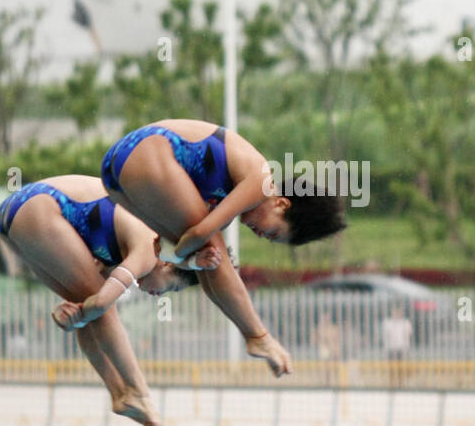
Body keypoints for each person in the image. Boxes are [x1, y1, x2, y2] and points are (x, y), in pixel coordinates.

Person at [100, 119, 347, 378]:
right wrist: (187, 253)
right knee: (213, 251)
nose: (262, 235)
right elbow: (197, 234)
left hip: (115, 170)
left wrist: (189, 258)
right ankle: (258, 335)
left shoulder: (221, 206)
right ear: (281, 204)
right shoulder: (260, 178)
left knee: (208, 260)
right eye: (273, 233)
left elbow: (160, 249)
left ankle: (254, 335)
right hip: (145, 152)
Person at [0, 174, 211, 426]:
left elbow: (91, 309)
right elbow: (102, 303)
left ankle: (120, 392)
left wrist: (76, 316)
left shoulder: (124, 250)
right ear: (167, 265)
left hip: (11, 217)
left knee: (88, 304)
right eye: (171, 287)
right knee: (100, 304)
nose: (159, 295)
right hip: (38, 205)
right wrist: (80, 315)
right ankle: (140, 392)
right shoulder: (148, 248)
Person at [382, 306, 413, 388]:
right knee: (391, 366)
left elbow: (409, 334)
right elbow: (386, 335)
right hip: (391, 348)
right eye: (395, 312)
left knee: (401, 366)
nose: (397, 314)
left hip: (402, 348)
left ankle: (401, 383)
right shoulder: (388, 322)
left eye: (399, 312)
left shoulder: (405, 322)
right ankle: (392, 383)